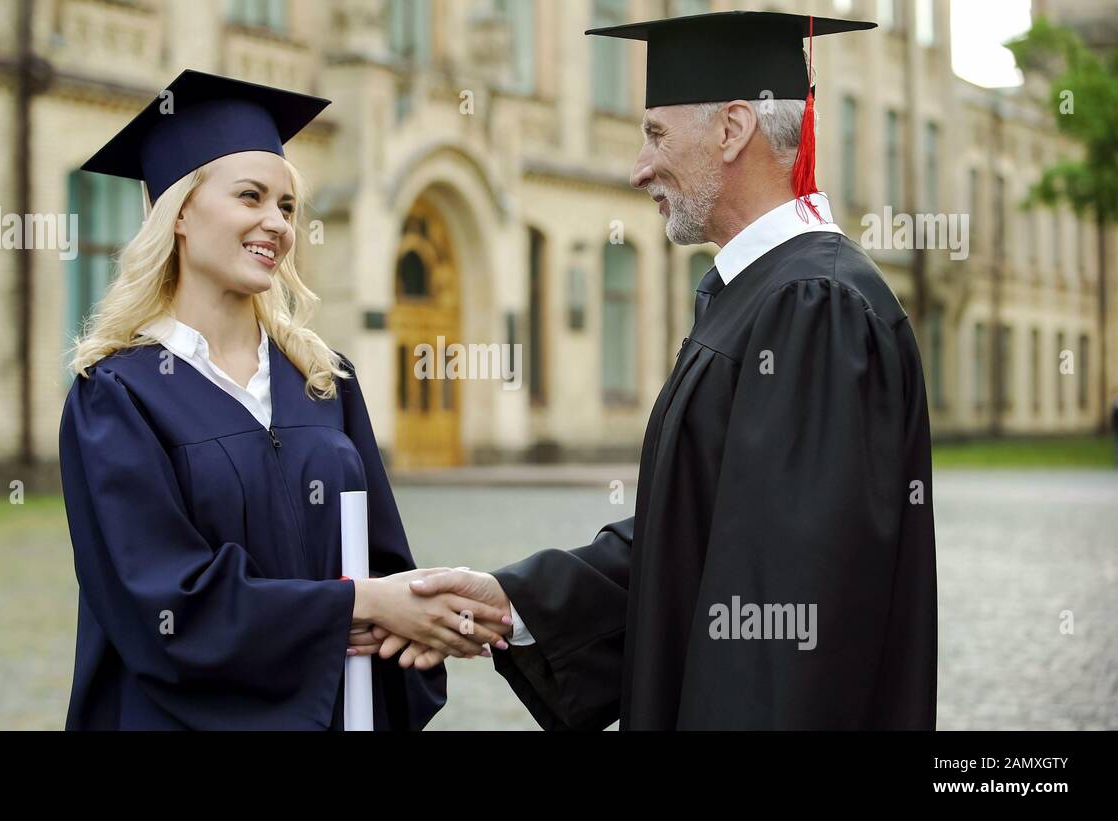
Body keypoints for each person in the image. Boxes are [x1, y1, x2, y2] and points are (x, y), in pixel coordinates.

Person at [387, 11, 939, 730]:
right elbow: (696, 546)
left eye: (654, 134)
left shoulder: (813, 308)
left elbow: (783, 625)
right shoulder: (756, 295)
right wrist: (514, 601)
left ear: (733, 129)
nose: (637, 167)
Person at [60, 69, 510, 730]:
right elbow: (167, 608)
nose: (275, 223)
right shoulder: (117, 395)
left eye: (288, 206)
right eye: (251, 197)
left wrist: (419, 613)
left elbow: (383, 567)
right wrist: (361, 606)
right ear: (179, 211)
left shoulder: (324, 380)